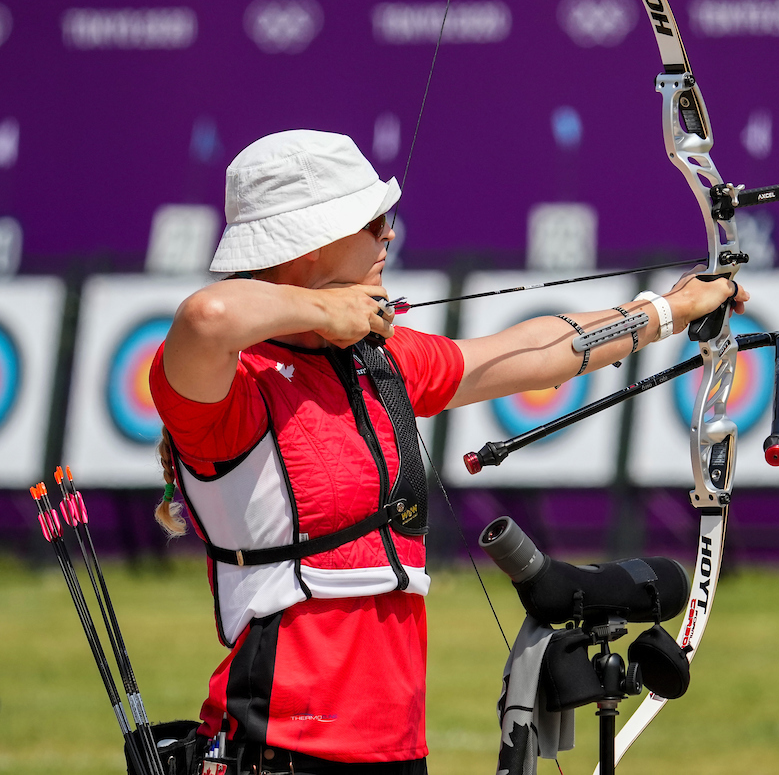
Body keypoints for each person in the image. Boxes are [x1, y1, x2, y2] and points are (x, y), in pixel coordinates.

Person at [148, 129, 747, 774]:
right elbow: (206, 318)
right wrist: (322, 309)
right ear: (311, 242)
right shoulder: (230, 391)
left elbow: (538, 352)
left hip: (397, 744)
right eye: (371, 222)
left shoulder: (379, 361)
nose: (389, 235)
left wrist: (671, 309)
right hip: (280, 745)